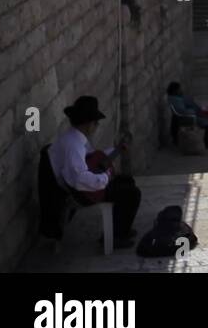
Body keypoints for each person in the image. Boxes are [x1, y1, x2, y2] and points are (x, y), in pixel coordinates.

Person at [48, 96, 142, 249]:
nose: (97, 125)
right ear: (88, 124)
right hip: (80, 193)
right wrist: (105, 177)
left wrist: (116, 149)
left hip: (80, 184)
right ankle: (114, 237)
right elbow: (79, 178)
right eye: (96, 122)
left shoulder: (74, 138)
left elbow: (93, 159)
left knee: (127, 181)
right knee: (132, 193)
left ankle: (120, 229)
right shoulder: (74, 146)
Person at [167, 82, 208, 148]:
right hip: (189, 117)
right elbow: (183, 111)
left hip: (192, 114)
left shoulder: (178, 97)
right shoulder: (176, 100)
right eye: (179, 89)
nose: (181, 90)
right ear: (174, 91)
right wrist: (194, 111)